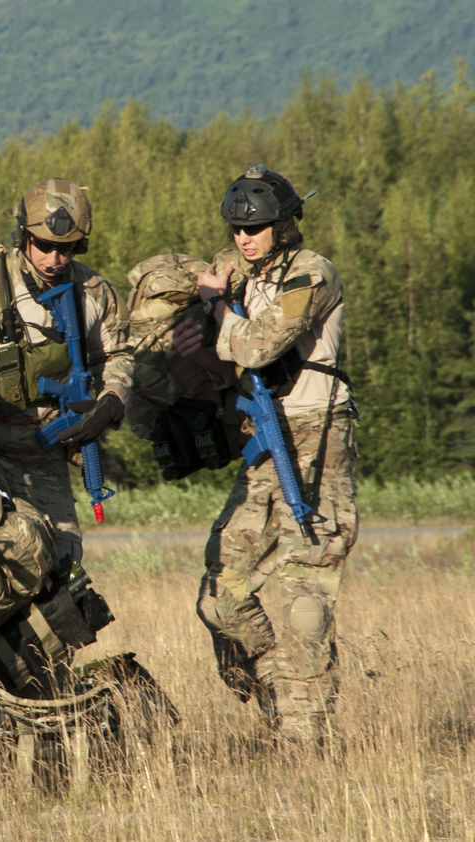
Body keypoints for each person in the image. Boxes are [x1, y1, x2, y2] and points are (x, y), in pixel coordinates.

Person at [172, 163, 357, 745]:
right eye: (236, 229)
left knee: (307, 592)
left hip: (316, 432)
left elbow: (254, 346)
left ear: (285, 225)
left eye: (257, 227)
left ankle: (304, 736)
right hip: (263, 434)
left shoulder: (312, 273)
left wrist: (218, 310)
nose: (244, 238)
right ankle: (276, 690)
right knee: (221, 591)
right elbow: (232, 367)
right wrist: (195, 349)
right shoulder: (239, 278)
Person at [0, 178, 132, 567]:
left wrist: (112, 400)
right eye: (44, 246)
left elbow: (120, 355)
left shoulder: (94, 292)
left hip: (44, 445)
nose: (53, 260)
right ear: (23, 237)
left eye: (64, 249)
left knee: (61, 562)